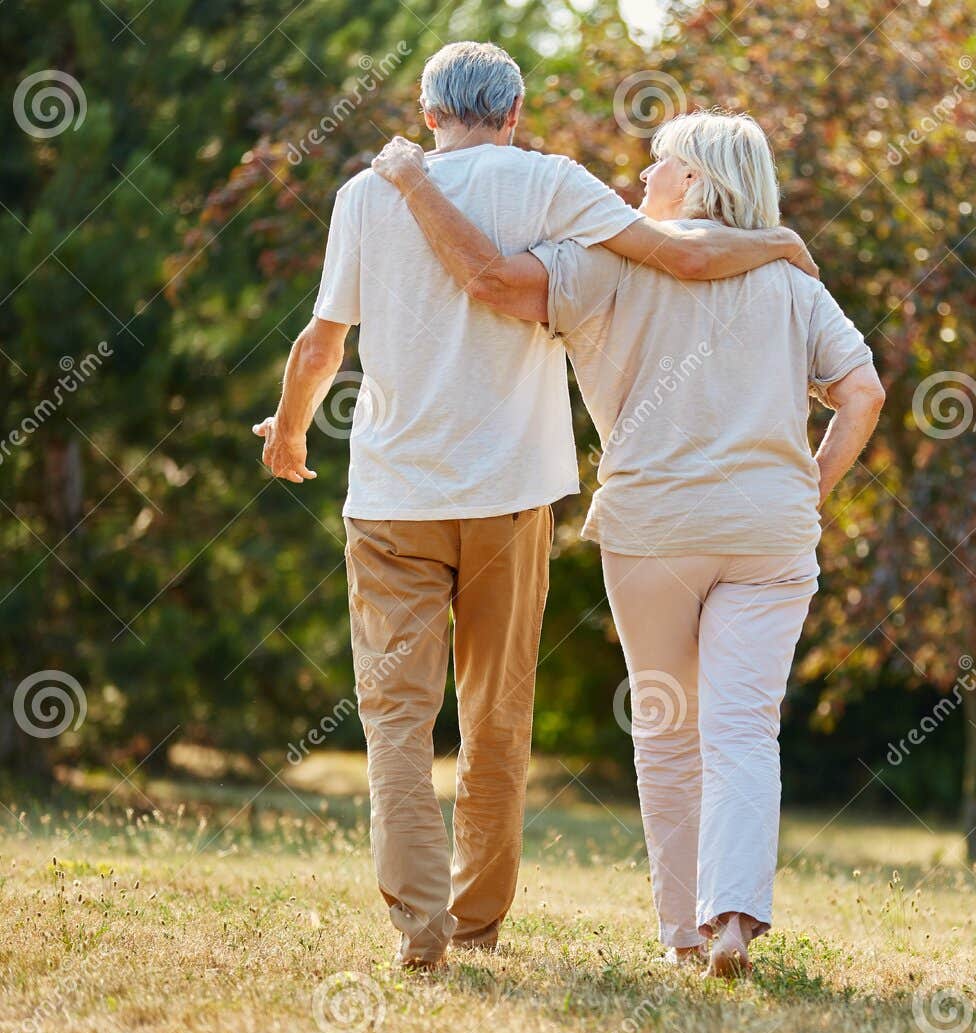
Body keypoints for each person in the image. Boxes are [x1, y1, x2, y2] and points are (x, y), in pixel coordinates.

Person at [253, 43, 817, 972]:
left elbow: (323, 340)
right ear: (514, 113)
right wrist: (778, 244)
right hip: (511, 496)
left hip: (393, 497)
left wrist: (288, 430)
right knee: (496, 716)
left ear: (429, 113)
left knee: (396, 719)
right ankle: (476, 922)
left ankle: (418, 927)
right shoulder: (554, 182)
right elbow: (674, 250)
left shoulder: (366, 193)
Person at [369, 109, 885, 976]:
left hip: (653, 527)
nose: (640, 179)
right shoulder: (792, 276)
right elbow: (862, 393)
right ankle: (732, 920)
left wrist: (416, 187)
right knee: (746, 729)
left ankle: (682, 934)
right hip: (770, 529)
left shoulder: (605, 260)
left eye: (657, 165)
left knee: (668, 726)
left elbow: (495, 285)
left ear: (692, 179)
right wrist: (810, 486)